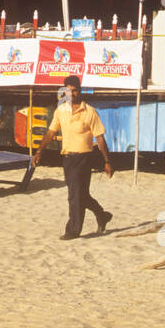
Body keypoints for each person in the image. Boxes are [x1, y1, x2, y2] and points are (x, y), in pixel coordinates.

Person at [32, 75, 114, 240]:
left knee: (74, 196)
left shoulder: (90, 112)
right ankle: (101, 214)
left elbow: (99, 138)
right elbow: (51, 132)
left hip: (84, 158)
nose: (72, 94)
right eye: (68, 90)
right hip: (68, 159)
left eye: (75, 90)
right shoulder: (60, 111)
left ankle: (73, 230)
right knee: (80, 195)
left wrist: (107, 161)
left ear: (80, 90)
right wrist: (39, 151)